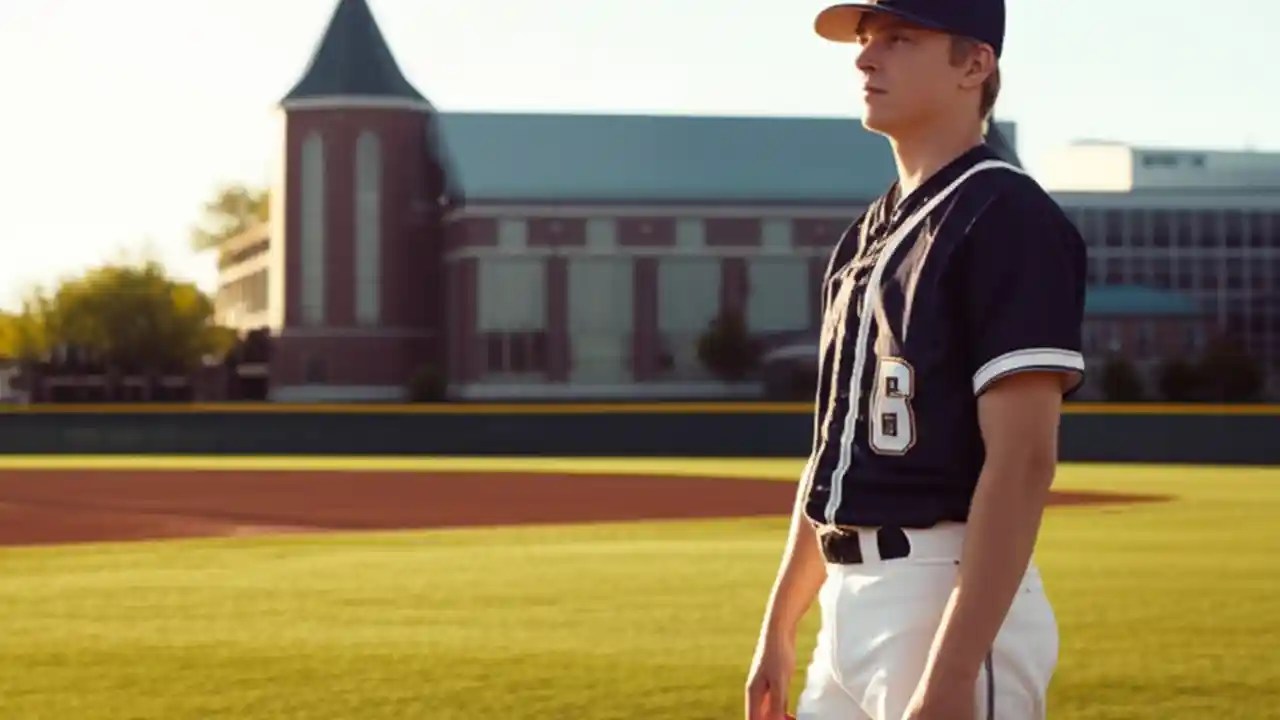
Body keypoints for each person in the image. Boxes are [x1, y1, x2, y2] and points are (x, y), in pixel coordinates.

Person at [744, 1, 1087, 719]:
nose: (866, 58)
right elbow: (832, 457)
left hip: (944, 592)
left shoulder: (1006, 217)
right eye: (868, 40)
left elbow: (1023, 462)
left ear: (975, 64)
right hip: (848, 604)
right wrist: (781, 621)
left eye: (899, 39)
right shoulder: (867, 235)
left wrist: (955, 673)